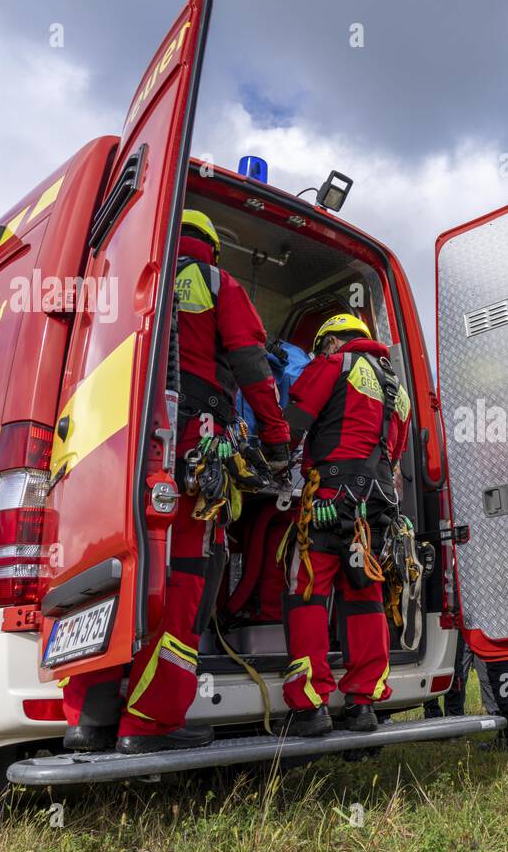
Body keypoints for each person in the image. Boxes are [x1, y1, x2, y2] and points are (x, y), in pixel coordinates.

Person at [62, 209, 291, 754]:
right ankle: (150, 722)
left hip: (113, 452)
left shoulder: (122, 282)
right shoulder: (216, 282)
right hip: (191, 444)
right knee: (184, 579)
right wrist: (277, 438)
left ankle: (88, 720)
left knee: (107, 580)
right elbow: (251, 363)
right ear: (212, 246)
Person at [279, 311, 411, 736]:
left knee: (308, 592)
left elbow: (294, 421)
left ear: (333, 342)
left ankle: (310, 705)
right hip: (374, 511)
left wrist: (272, 458)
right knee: (365, 597)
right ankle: (362, 704)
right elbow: (393, 452)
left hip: (328, 499)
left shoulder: (335, 365)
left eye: (321, 347)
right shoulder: (400, 391)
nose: (320, 354)